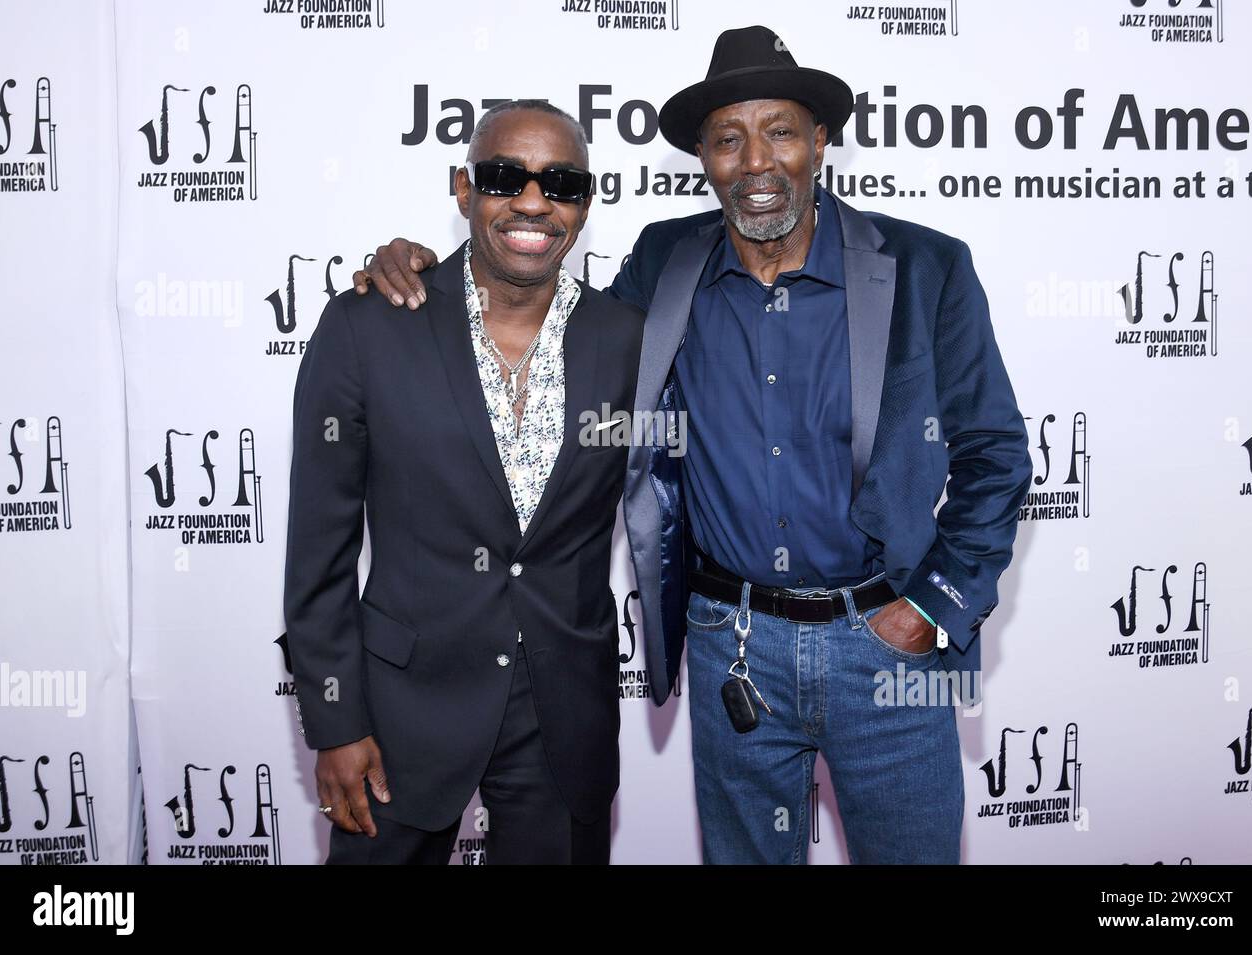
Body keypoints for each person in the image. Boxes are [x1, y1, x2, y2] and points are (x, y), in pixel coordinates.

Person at [353, 26, 1033, 864]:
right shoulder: (663, 263)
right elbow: (549, 330)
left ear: (819, 140)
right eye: (727, 139)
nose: (756, 160)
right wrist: (425, 271)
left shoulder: (927, 268)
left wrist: (932, 608)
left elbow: (996, 454)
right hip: (730, 645)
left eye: (780, 130)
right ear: (702, 158)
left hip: (884, 648)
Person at [283, 100, 644, 864]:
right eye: (504, 176)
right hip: (400, 710)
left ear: (586, 202)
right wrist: (337, 720)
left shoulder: (626, 339)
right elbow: (319, 548)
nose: (533, 201)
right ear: (463, 189)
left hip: (563, 718)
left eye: (562, 182)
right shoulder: (369, 324)